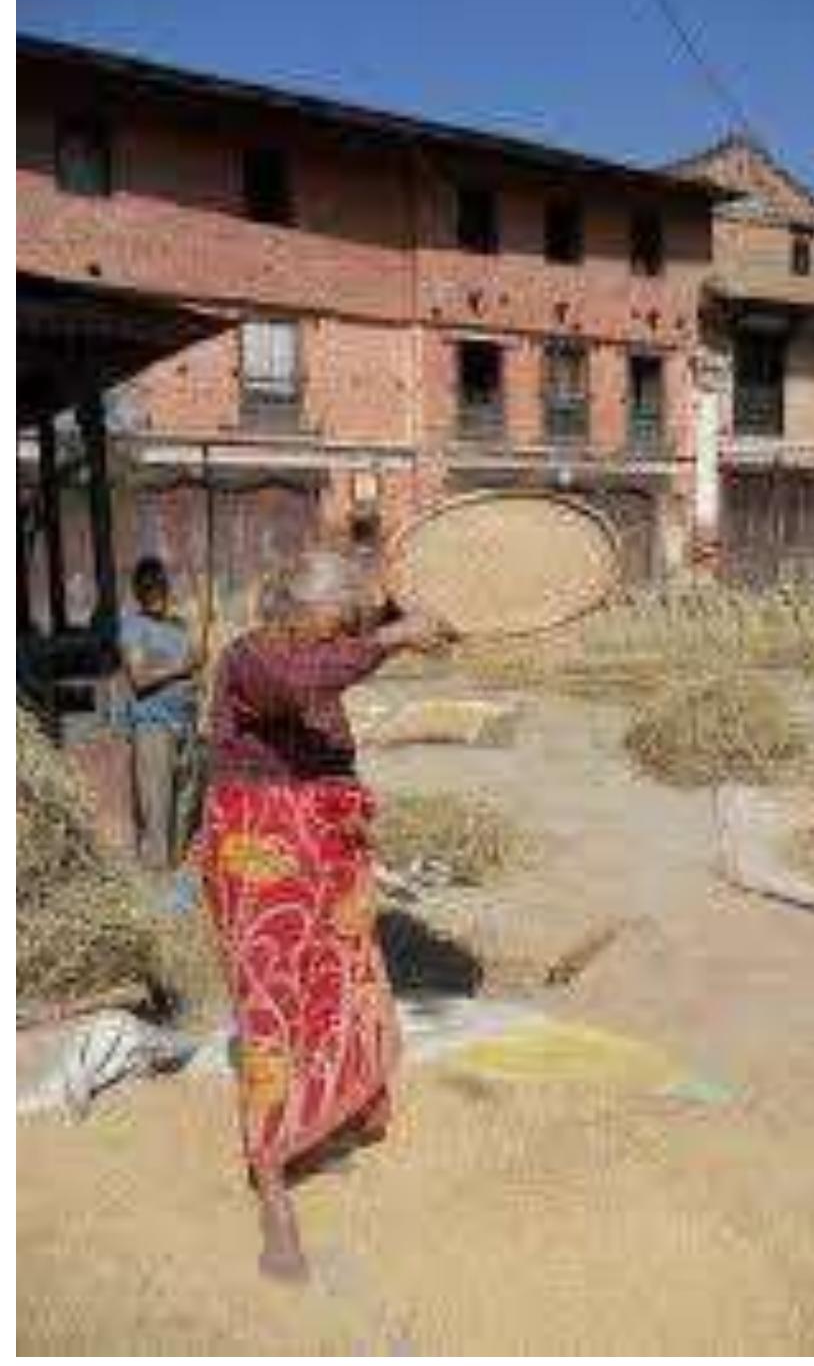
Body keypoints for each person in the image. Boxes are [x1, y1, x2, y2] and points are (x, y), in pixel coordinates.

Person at [201, 546, 455, 1281]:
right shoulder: (254, 658)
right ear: (298, 611)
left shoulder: (320, 644)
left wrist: (413, 619)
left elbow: (360, 643)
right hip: (260, 854)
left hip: (324, 847)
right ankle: (272, 1178)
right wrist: (387, 637)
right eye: (331, 624)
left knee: (341, 983)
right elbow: (304, 677)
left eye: (344, 625)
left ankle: (319, 1122)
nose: (337, 637)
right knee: (272, 1005)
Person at [119, 557, 202, 871]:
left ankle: (175, 871)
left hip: (186, 725)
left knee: (184, 804)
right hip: (154, 726)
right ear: (138, 591)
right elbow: (139, 678)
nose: (156, 591)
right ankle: (156, 879)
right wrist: (183, 668)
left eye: (160, 585)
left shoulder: (178, 627)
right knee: (157, 807)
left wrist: (195, 672)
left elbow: (193, 669)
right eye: (148, 586)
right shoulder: (133, 627)